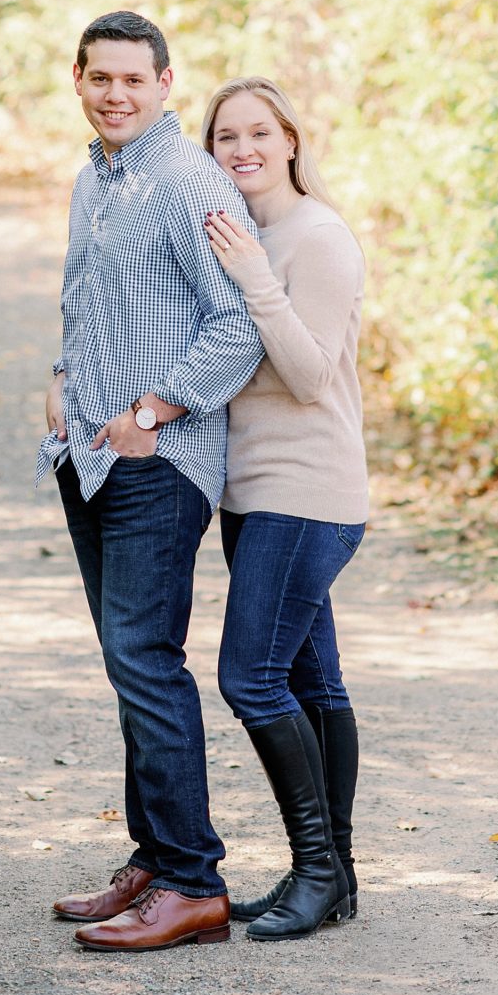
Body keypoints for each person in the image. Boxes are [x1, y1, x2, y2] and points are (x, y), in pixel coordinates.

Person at [36, 12, 264, 953]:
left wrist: (155, 413)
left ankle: (191, 882)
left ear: (166, 82)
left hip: (155, 464)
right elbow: (85, 297)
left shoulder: (186, 183)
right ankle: (150, 856)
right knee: (128, 666)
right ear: (79, 81)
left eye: (135, 79)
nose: (116, 94)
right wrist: (59, 377)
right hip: (85, 455)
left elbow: (239, 324)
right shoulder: (98, 175)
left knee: (146, 662)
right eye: (101, 79)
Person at [200, 76, 368, 942]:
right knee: (310, 680)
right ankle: (335, 879)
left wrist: (256, 280)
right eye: (225, 137)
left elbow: (307, 376)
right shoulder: (242, 234)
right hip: (254, 492)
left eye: (258, 132)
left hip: (307, 491)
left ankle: (313, 868)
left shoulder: (317, 238)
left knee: (249, 680)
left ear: (291, 140)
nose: (242, 149)